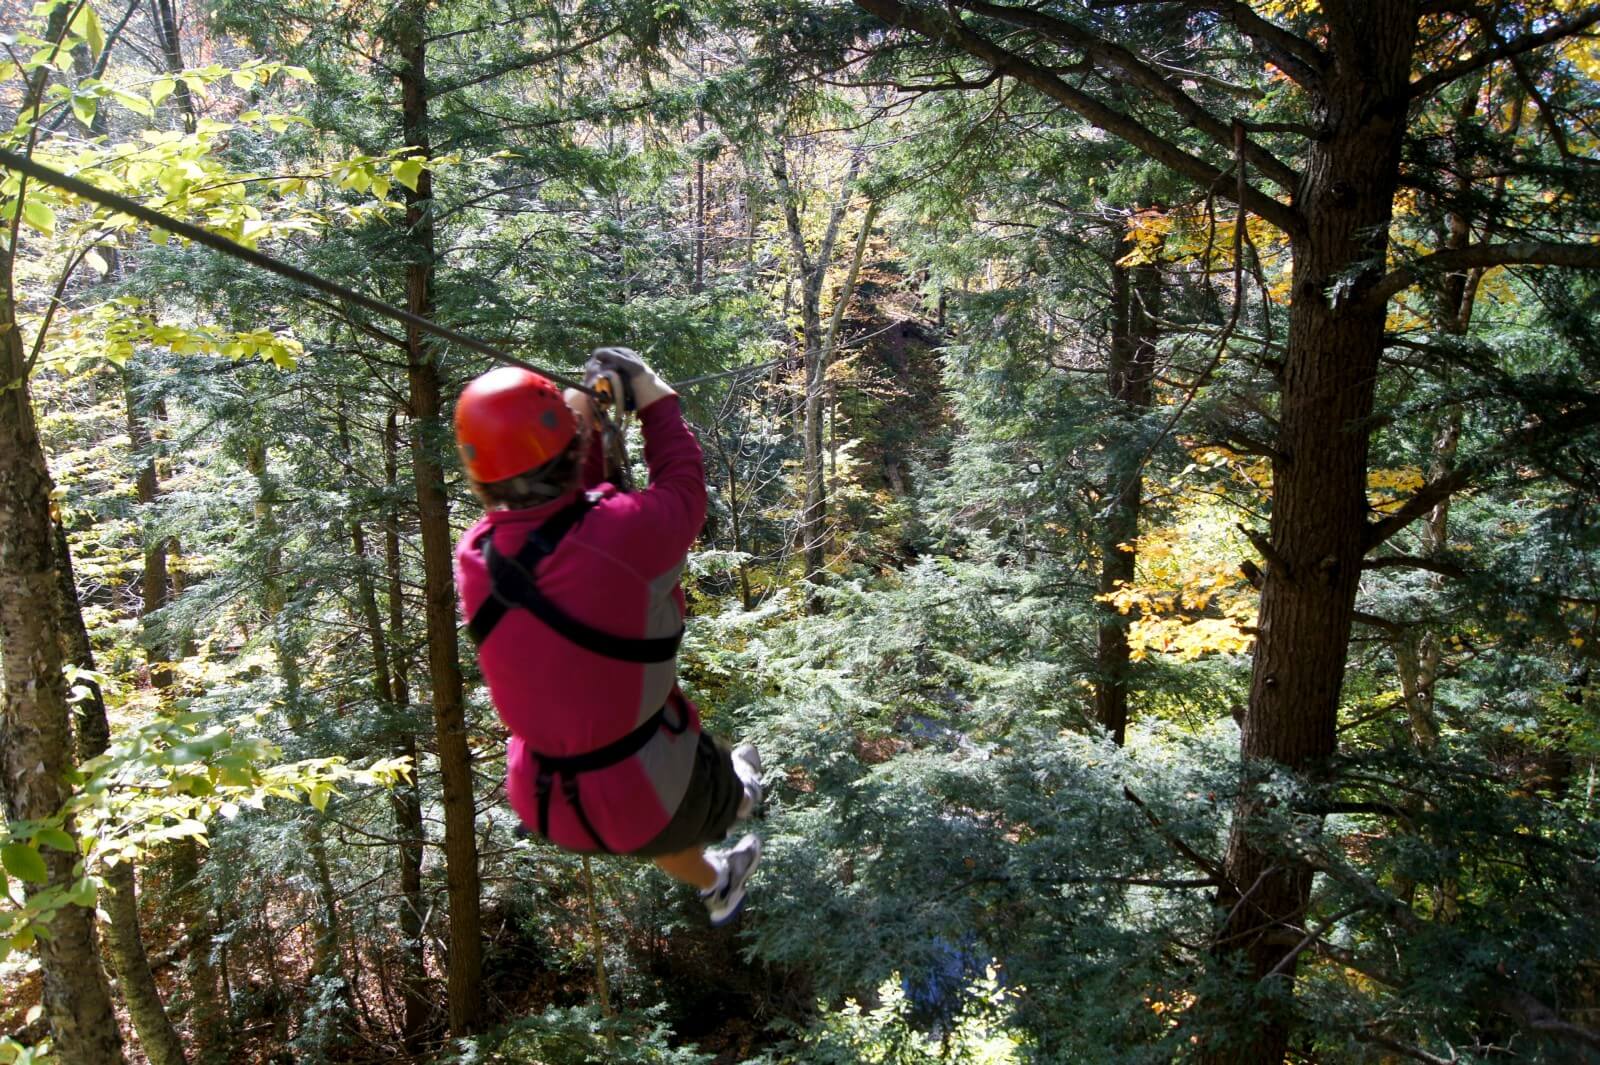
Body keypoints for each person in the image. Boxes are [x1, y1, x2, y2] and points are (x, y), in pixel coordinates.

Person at [452, 347, 762, 925]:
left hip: (543, 796)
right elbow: (684, 491)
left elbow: (570, 524)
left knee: (653, 834)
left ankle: (721, 883)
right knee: (709, 797)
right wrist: (656, 400)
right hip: (643, 788)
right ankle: (742, 796)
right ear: (566, 453)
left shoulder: (476, 553)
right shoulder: (621, 533)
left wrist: (582, 425)